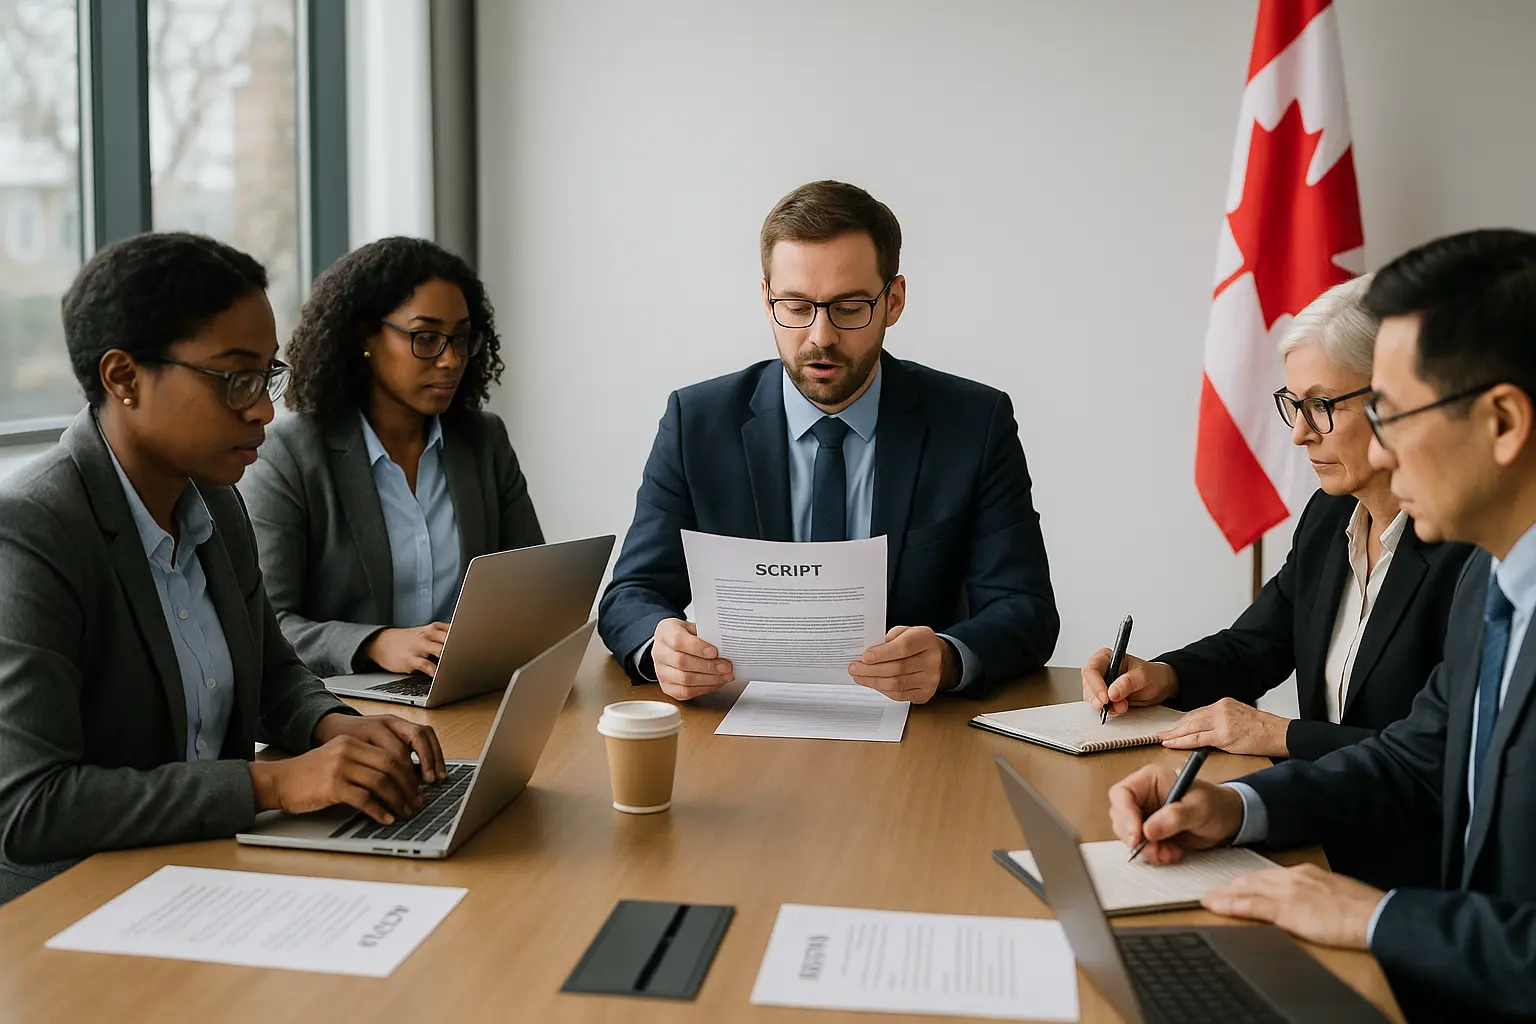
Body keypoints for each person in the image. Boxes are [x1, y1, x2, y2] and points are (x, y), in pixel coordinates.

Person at [1107, 229, 1536, 1021]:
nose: (1381, 441)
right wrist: (1235, 810)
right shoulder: (1494, 580)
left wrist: (1375, 916)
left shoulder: (1472, 570)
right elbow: (1415, 761)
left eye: (1394, 412)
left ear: (1504, 422)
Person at [0, 233, 447, 902]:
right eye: (234, 378)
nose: (264, 409)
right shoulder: (33, 528)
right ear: (123, 378)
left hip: (205, 870)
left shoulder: (214, 501)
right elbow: (29, 807)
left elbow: (271, 677)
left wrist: (340, 729)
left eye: (267, 375)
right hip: (76, 902)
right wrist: (274, 782)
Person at [598, 180, 1058, 703]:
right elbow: (632, 594)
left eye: (849, 307)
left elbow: (1026, 608)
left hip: (916, 733)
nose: (820, 335)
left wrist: (950, 657)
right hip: (739, 721)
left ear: (894, 300)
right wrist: (658, 647)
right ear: (766, 298)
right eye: (795, 306)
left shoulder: (974, 422)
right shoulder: (697, 422)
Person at [1082, 276, 1473, 888]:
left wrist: (1280, 734)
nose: (1298, 434)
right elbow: (1257, 644)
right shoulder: (1328, 515)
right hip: (1316, 827)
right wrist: (1164, 676)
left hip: (1409, 861)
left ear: (1395, 400)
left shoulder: (1469, 552)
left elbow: (1432, 757)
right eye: (1293, 404)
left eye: (1322, 405)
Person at [239, 237, 543, 678]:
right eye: (426, 338)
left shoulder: (484, 440)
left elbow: (534, 588)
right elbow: (267, 623)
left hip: (468, 689)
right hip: (345, 707)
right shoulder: (291, 453)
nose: (450, 359)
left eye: (461, 338)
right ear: (366, 336)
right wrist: (376, 643)